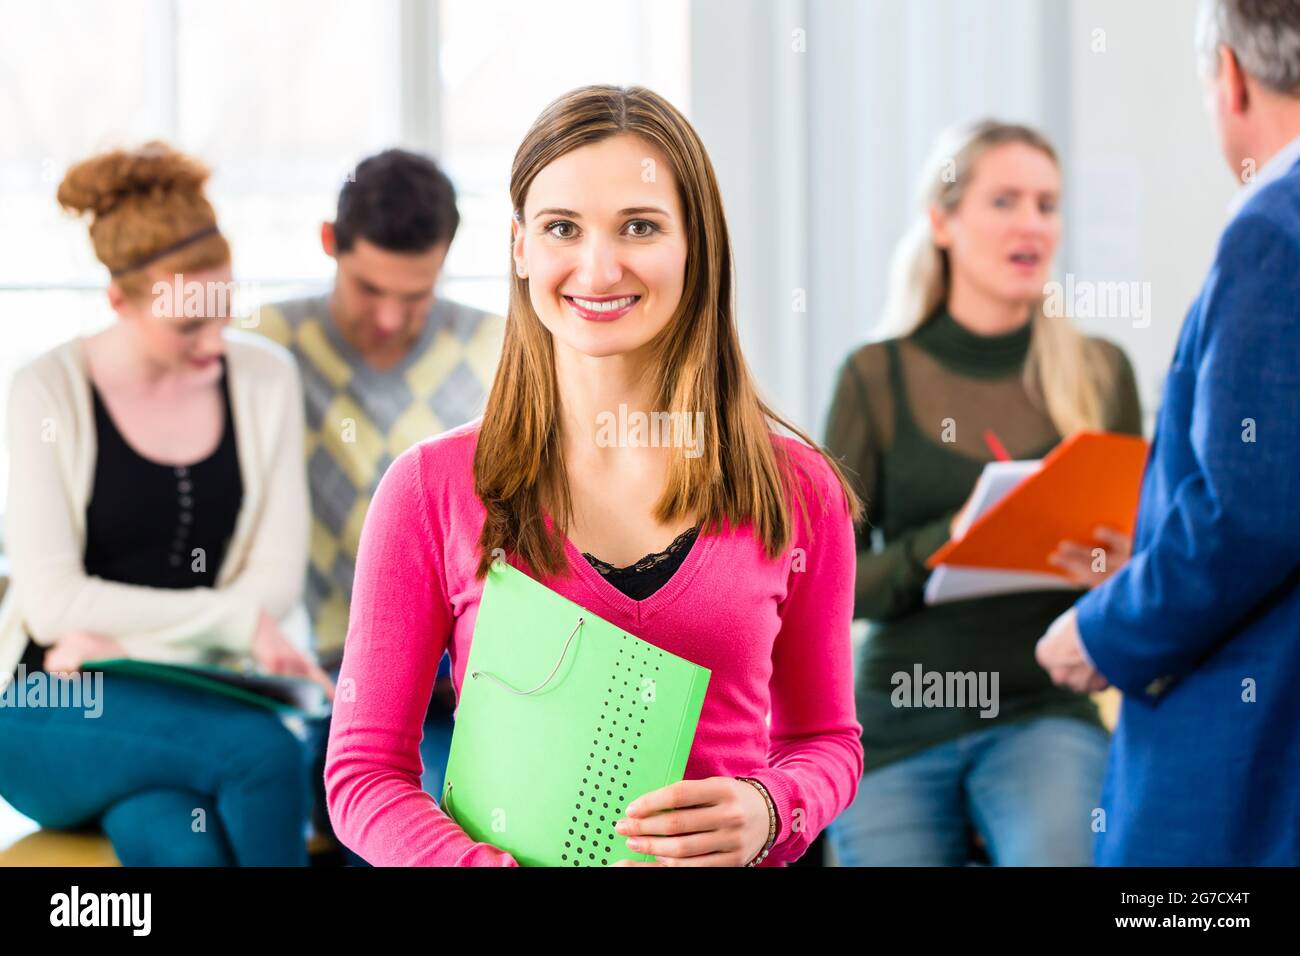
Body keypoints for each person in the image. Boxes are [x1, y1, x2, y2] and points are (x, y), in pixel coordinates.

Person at [324, 84, 865, 866]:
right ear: (520, 247)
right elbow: (363, 774)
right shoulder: (428, 491)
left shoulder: (798, 489)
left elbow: (827, 739)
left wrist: (771, 808)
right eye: (561, 229)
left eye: (639, 226)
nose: (598, 266)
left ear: (695, 245)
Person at [0, 142, 331, 865]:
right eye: (187, 326)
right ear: (118, 301)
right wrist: (234, 621)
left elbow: (272, 585)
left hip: (185, 707)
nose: (216, 345)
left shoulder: (263, 380)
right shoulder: (44, 392)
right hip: (47, 704)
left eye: (224, 313)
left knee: (183, 841)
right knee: (265, 757)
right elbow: (54, 607)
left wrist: (130, 647)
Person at [824, 121, 1143, 866]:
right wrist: (955, 534)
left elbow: (1139, 561)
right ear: (942, 221)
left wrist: (1114, 563)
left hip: (1043, 708)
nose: (1032, 223)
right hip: (900, 716)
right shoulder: (875, 376)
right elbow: (830, 582)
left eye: (1046, 204)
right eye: (1005, 201)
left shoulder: (1100, 373)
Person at [1036, 0, 1300, 866]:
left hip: (1245, 749)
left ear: (1229, 74)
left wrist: (1103, 632)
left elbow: (1248, 514)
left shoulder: (1273, 230)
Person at [254, 150, 503, 808]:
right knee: (385, 799)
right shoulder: (262, 347)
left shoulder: (498, 352)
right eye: (369, 290)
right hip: (324, 663)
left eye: (415, 295)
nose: (391, 318)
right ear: (328, 243)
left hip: (469, 671)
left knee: (468, 805)